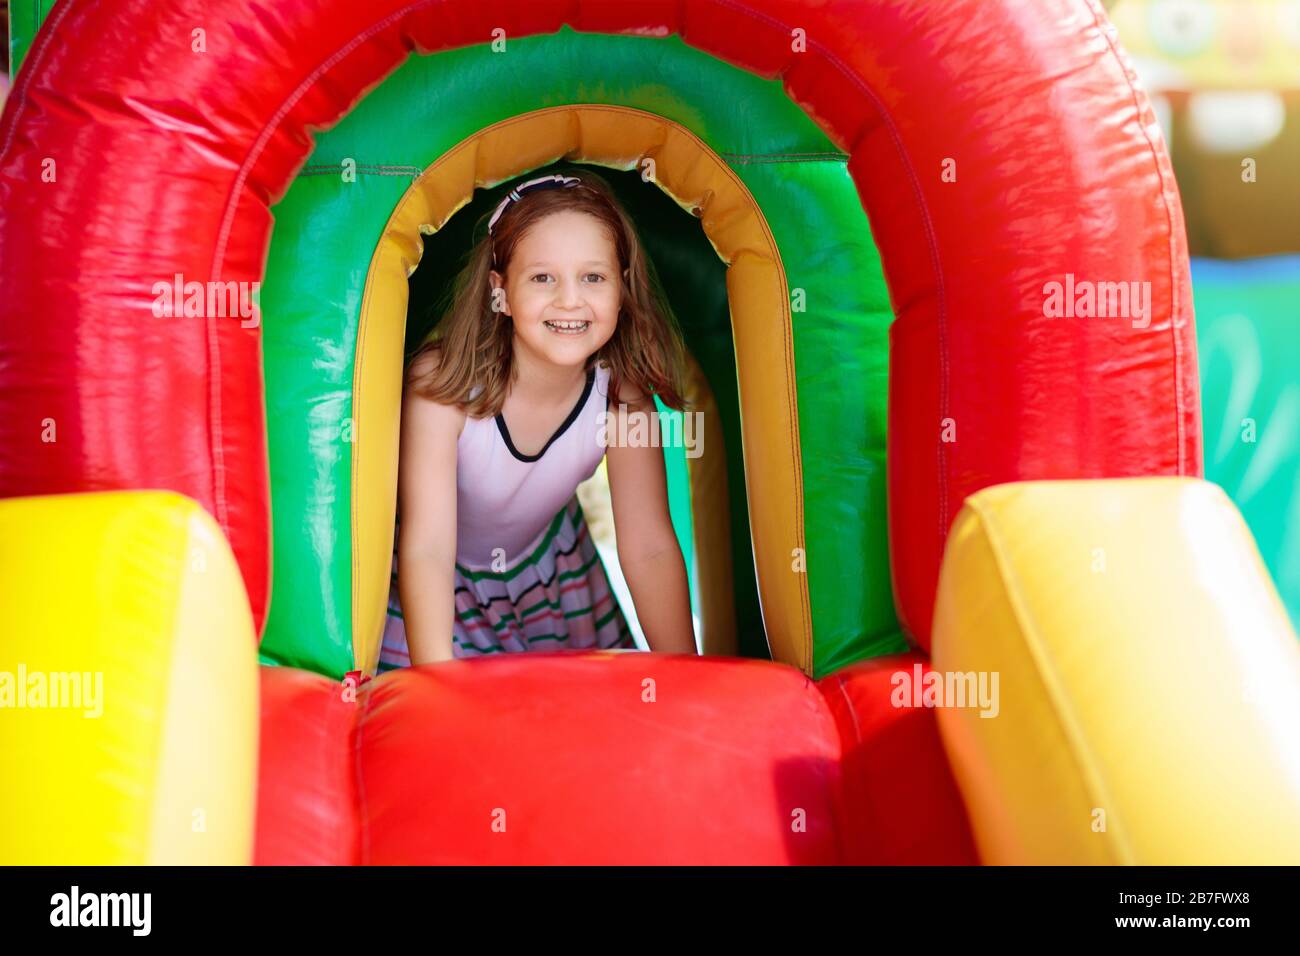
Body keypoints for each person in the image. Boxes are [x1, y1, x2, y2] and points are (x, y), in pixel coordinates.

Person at [378, 169, 700, 668]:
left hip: (552, 572)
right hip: (437, 584)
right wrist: (436, 680)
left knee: (569, 721)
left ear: (621, 287)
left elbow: (650, 546)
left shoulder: (620, 393)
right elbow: (428, 548)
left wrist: (689, 675)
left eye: (593, 277)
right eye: (542, 277)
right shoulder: (443, 385)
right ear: (500, 291)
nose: (570, 300)